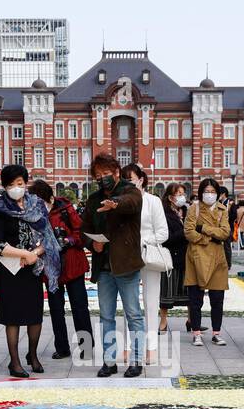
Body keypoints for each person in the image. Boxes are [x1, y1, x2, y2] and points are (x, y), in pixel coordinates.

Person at [84, 154, 144, 378]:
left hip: (126, 264)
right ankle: (109, 362)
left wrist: (114, 204)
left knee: (133, 314)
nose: (102, 179)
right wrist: (92, 243)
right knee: (106, 316)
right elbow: (84, 229)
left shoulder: (130, 190)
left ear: (116, 172)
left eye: (105, 174)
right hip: (104, 266)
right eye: (98, 176)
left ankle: (136, 361)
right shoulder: (93, 199)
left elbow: (132, 203)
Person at [0, 165, 51, 378]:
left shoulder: (37, 205)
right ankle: (14, 362)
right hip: (10, 269)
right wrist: (22, 254)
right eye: (11, 185)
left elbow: (48, 236)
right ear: (4, 186)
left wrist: (35, 253)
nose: (16, 188)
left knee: (34, 315)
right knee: (12, 317)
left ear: (26, 183)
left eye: (20, 183)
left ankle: (32, 355)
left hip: (32, 268)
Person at [29, 180, 93, 361]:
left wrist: (68, 240)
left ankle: (86, 347)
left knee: (79, 308)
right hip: (51, 270)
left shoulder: (65, 209)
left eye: (43, 202)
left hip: (73, 264)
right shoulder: (35, 215)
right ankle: (62, 347)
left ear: (50, 198)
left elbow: (81, 233)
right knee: (56, 309)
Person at [125, 164, 169, 366]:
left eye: (131, 179)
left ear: (141, 179)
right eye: (124, 180)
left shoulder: (153, 202)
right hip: (127, 257)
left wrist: (143, 241)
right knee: (130, 304)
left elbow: (163, 233)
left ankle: (151, 348)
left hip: (148, 255)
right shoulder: (122, 203)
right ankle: (130, 346)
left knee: (151, 303)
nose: (128, 184)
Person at [184, 178, 232, 348]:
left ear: (218, 193)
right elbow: (189, 232)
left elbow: (225, 232)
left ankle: (216, 333)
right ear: (200, 192)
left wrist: (203, 229)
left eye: (213, 192)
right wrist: (208, 239)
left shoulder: (222, 210)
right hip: (197, 256)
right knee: (196, 298)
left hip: (218, 258)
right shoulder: (193, 208)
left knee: (217, 298)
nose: (209, 195)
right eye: (207, 191)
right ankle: (196, 333)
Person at [159, 184, 189, 334]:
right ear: (171, 198)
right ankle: (163, 321)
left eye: (183, 193)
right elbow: (165, 238)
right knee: (167, 291)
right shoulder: (164, 214)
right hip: (171, 257)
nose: (182, 197)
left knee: (189, 291)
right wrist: (184, 232)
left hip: (186, 257)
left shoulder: (186, 211)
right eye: (179, 194)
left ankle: (192, 320)